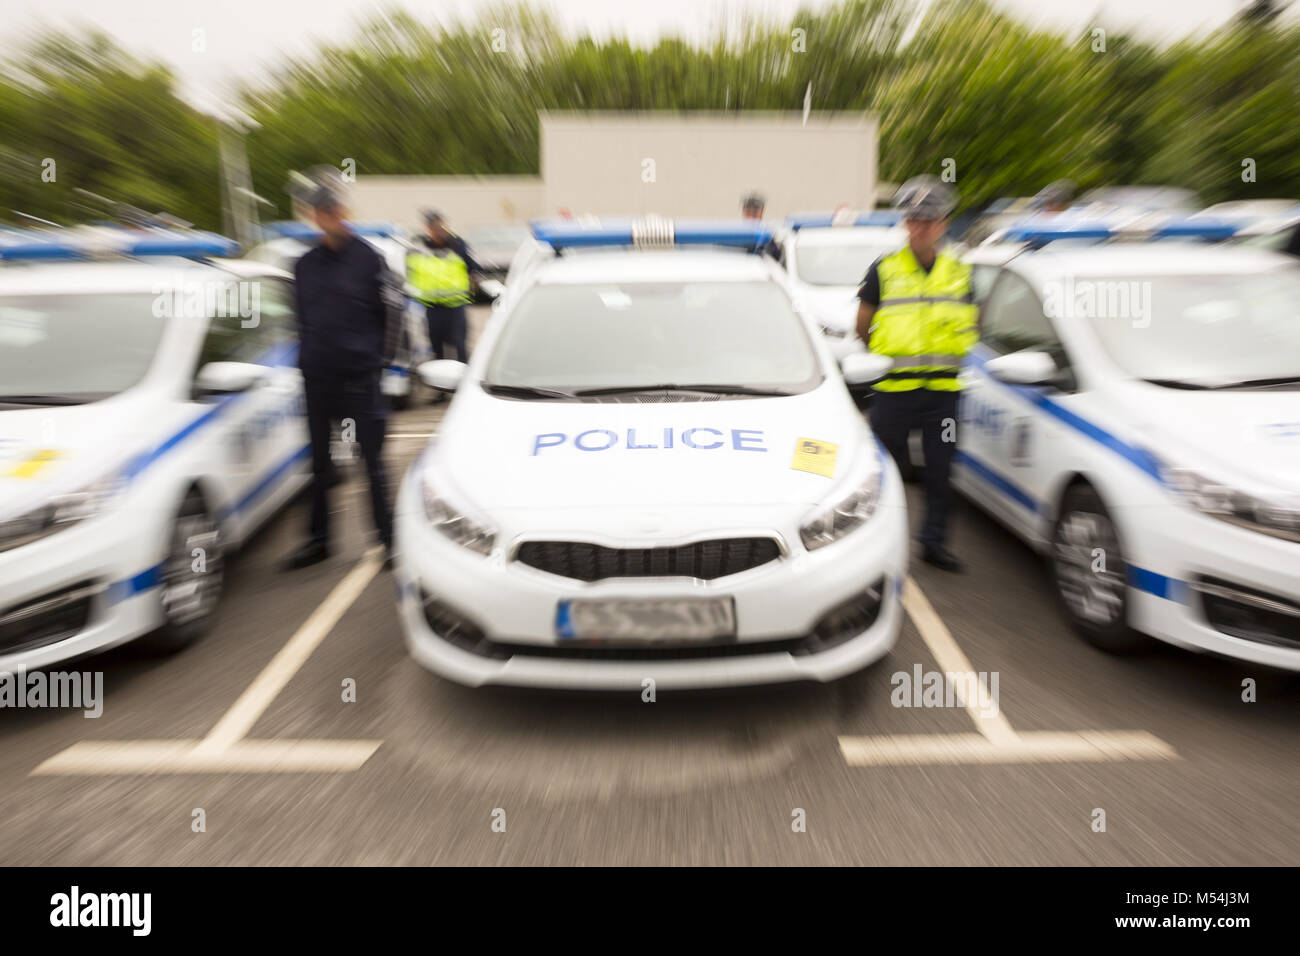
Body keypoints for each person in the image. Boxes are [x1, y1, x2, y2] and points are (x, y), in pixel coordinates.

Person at [854, 175, 978, 573]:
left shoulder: (959, 272)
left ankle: (933, 543)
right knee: (885, 475)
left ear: (943, 224)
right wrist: (877, 355)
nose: (922, 227)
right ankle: (875, 547)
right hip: (894, 394)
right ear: (906, 224)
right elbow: (863, 323)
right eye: (914, 219)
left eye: (930, 219)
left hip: (942, 395)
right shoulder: (884, 270)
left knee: (940, 474)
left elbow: (973, 322)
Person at [284, 176, 401, 570]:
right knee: (320, 466)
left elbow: (392, 315)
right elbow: (302, 320)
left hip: (359, 380)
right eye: (321, 212)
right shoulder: (304, 265)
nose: (329, 217)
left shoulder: (370, 259)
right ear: (312, 216)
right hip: (318, 380)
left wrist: (379, 362)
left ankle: (389, 542)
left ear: (344, 213)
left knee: (372, 463)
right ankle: (319, 542)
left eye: (334, 210)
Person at [407, 210, 481, 372]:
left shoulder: (458, 245)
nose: (438, 230)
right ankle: (440, 389)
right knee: (437, 349)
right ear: (427, 228)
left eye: (440, 226)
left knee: (459, 346)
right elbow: (410, 273)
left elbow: (473, 271)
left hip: (455, 307)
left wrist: (472, 291)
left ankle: (464, 381)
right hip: (432, 308)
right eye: (433, 227)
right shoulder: (418, 248)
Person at [740, 191, 781, 259]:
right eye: (748, 212)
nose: (751, 217)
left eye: (755, 213)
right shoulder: (735, 237)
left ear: (762, 213)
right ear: (743, 213)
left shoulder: (769, 237)